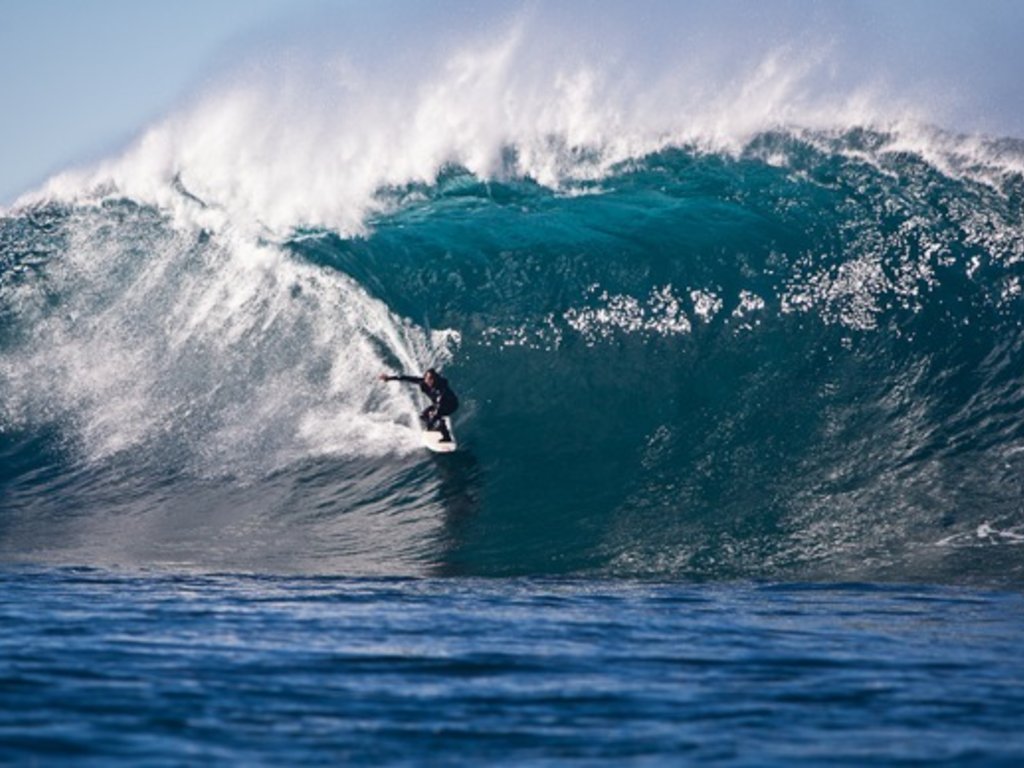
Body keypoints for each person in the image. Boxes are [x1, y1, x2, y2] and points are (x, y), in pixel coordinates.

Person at [379, 368, 459, 442]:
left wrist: (434, 415)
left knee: (435, 416)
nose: (430, 381)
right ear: (425, 378)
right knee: (423, 416)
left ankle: (446, 436)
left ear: (435, 379)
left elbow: (440, 403)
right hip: (438, 404)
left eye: (432, 379)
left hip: (451, 405)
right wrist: (389, 378)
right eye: (428, 378)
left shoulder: (441, 388)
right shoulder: (423, 381)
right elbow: (406, 378)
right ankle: (437, 426)